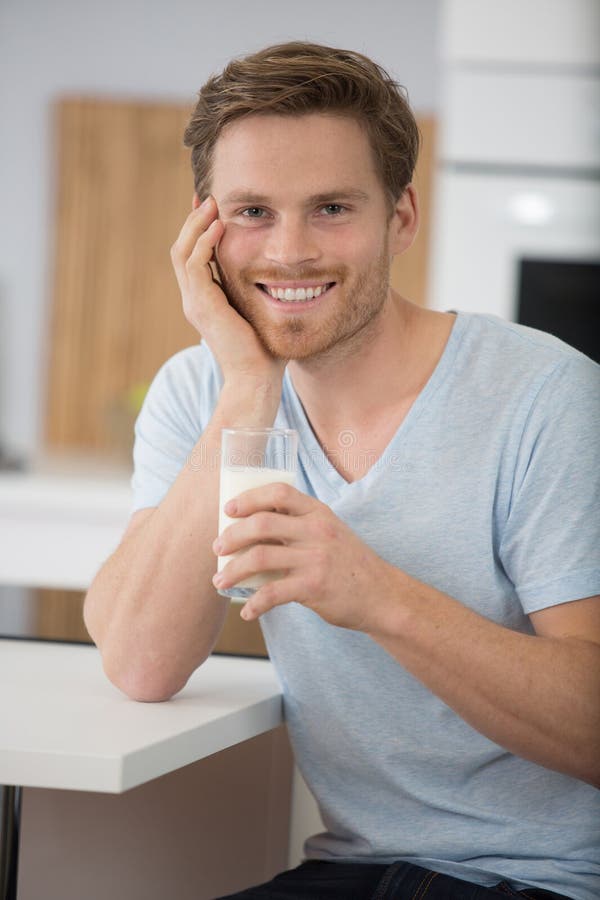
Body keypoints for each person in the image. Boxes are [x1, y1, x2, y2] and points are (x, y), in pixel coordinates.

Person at [83, 41, 600, 900]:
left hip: (543, 882)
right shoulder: (202, 389)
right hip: (353, 872)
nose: (288, 252)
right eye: (251, 211)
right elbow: (140, 662)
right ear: (204, 232)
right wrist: (249, 385)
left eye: (330, 208)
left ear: (401, 218)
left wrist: (376, 594)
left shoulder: (548, 398)